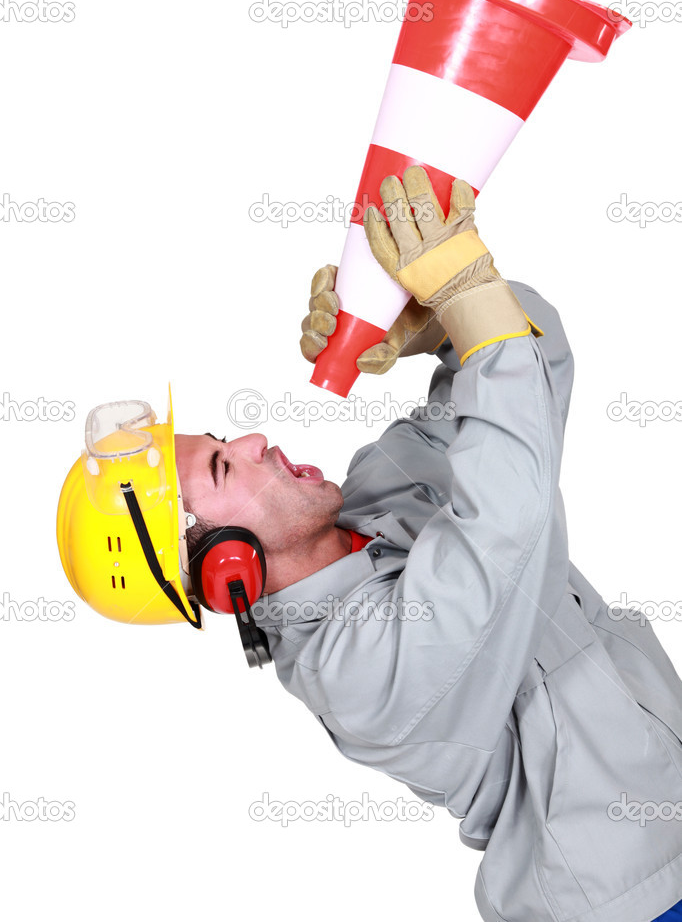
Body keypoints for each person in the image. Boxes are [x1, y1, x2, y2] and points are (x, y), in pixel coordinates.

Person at [174, 168, 682, 922]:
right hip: (627, 898)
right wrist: (465, 290)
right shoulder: (353, 675)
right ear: (227, 564)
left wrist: (440, 324)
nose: (251, 437)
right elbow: (508, 514)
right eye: (223, 464)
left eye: (222, 437)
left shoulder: (384, 478)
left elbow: (532, 382)